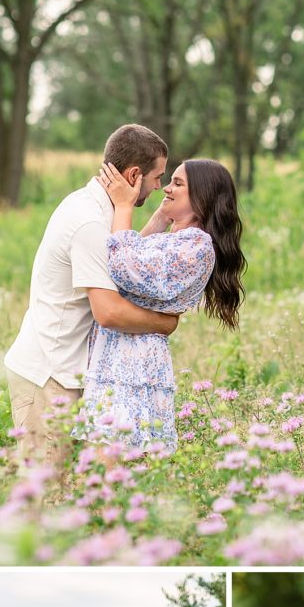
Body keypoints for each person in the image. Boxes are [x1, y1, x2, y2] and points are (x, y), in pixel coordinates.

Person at [4, 122, 180, 479]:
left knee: (65, 496)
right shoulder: (88, 223)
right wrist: (166, 323)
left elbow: (118, 261)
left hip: (62, 371)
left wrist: (160, 219)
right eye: (157, 177)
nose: (160, 186)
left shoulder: (91, 206)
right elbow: (109, 311)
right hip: (49, 377)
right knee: (43, 495)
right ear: (133, 175)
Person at [80, 156, 246, 452]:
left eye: (178, 184)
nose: (166, 188)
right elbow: (132, 255)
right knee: (108, 464)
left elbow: (123, 266)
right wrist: (161, 217)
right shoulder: (177, 240)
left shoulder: (196, 246)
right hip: (118, 355)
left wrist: (124, 206)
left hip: (133, 363)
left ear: (202, 197)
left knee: (111, 464)